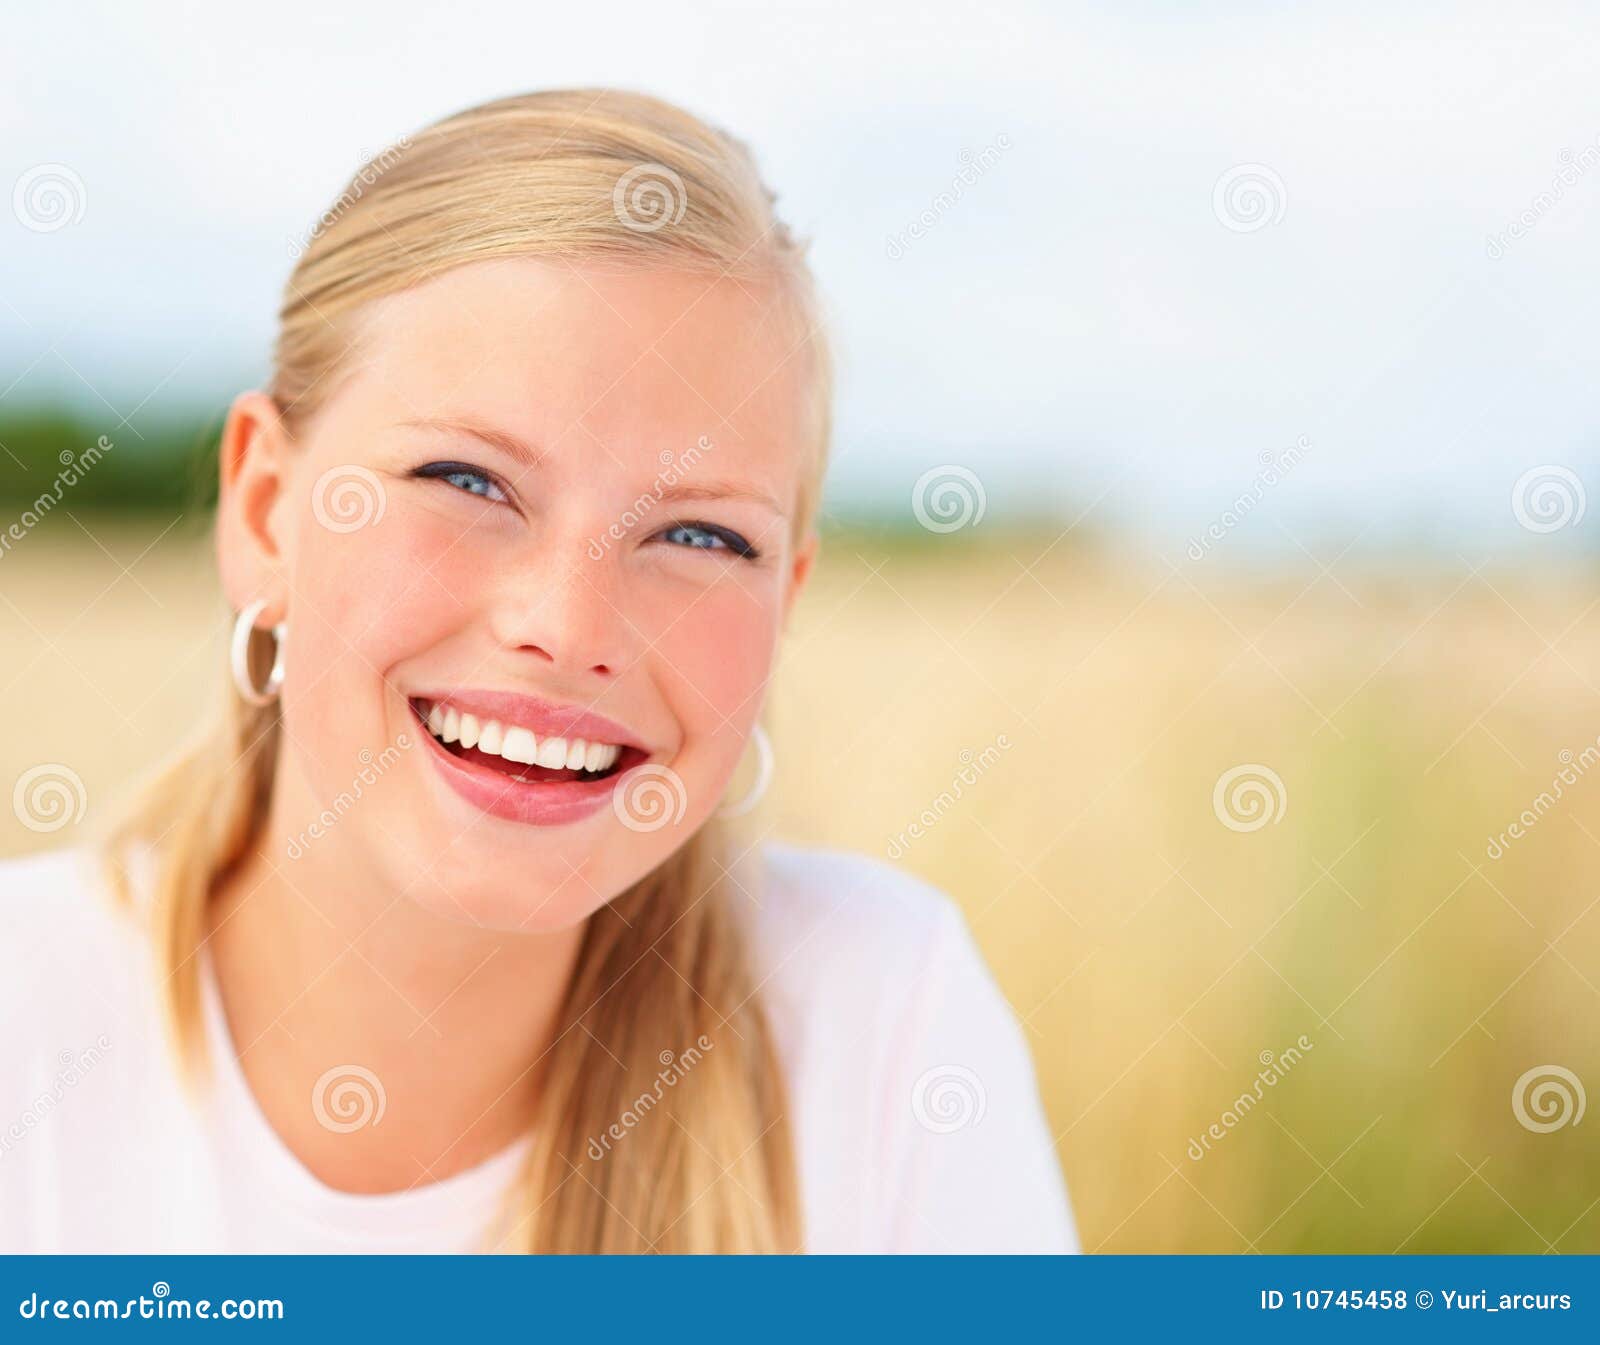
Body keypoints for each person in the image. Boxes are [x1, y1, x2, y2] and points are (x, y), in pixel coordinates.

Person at [0, 88, 1075, 1254]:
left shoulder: (883, 1025)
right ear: (266, 512)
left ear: (786, 604)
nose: (567, 627)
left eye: (703, 537)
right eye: (466, 481)